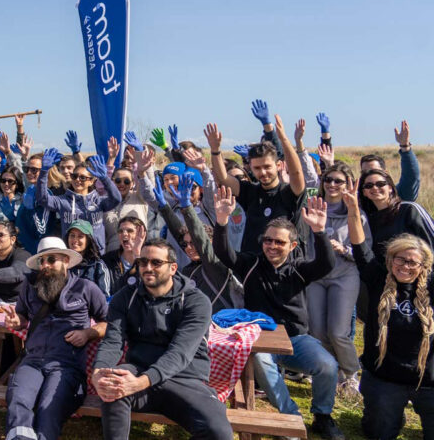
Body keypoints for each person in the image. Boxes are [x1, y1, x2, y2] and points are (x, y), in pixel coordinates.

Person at [213, 190, 343, 439]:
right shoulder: (251, 264)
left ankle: (322, 416)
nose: (272, 246)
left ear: (292, 245)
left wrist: (319, 232)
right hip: (260, 339)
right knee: (262, 362)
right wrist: (221, 222)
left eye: (279, 242)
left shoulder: (299, 269)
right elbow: (224, 253)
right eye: (268, 240)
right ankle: (290, 418)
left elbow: (326, 263)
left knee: (327, 366)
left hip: (296, 339)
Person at [91, 238, 233, 440]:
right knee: (113, 386)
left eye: (156, 263)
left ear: (173, 268)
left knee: (219, 432)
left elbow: (180, 353)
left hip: (185, 378)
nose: (148, 268)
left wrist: (140, 383)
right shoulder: (125, 297)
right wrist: (98, 372)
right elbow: (113, 340)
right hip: (139, 369)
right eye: (143, 262)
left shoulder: (196, 301)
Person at [346, 181, 434, 440]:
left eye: (412, 262)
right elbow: (360, 248)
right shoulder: (378, 278)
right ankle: (387, 411)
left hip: (429, 380)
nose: (405, 266)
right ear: (390, 260)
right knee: (380, 433)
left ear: (423, 266)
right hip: (385, 378)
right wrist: (353, 209)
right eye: (399, 259)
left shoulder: (432, 285)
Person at [1, 236, 108, 440]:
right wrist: (18, 321)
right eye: (42, 261)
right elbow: (22, 317)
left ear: (66, 261)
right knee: (18, 401)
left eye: (52, 260)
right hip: (32, 361)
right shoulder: (30, 286)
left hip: (66, 365)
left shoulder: (86, 288)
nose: (46, 265)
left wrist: (88, 334)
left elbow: (109, 323)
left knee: (49, 409)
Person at [205, 112, 306, 254]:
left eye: (267, 167)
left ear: (278, 165)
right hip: (252, 266)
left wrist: (283, 138)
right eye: (257, 168)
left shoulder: (290, 192)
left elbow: (297, 173)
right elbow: (223, 178)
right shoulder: (250, 191)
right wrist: (215, 150)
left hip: (284, 266)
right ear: (251, 168)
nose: (263, 172)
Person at [307, 162, 364, 394]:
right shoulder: (313, 206)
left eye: (338, 181)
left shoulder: (355, 211)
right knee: (318, 331)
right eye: (328, 180)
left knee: (338, 332)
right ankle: (330, 371)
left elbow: (362, 249)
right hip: (317, 276)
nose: (332, 185)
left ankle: (350, 374)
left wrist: (343, 249)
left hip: (345, 275)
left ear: (348, 184)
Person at [154, 175, 240, 310]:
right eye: (185, 245)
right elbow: (180, 235)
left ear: (210, 241)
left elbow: (199, 239)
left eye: (193, 243)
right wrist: (164, 207)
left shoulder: (215, 265)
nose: (188, 248)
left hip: (221, 326)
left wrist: (187, 208)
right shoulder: (189, 269)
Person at [37, 149, 122, 250]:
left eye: (82, 178)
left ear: (91, 181)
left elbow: (116, 198)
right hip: (72, 253)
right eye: (74, 176)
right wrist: (44, 172)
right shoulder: (63, 201)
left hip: (96, 253)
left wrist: (105, 178)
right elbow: (42, 199)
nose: (77, 180)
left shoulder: (99, 201)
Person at [359, 168, 434, 261]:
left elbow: (431, 238)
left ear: (390, 188)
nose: (374, 188)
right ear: (364, 192)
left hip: (421, 270)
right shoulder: (368, 219)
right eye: (369, 185)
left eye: (380, 184)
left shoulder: (409, 209)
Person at [358, 120, 420, 202]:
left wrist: (405, 146)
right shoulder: (358, 199)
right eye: (364, 172)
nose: (369, 175)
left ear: (385, 173)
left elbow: (411, 177)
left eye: (374, 171)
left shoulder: (398, 196)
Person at [103, 215, 147, 295]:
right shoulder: (108, 260)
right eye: (120, 231)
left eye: (130, 231)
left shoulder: (150, 260)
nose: (124, 234)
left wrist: (137, 254)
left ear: (141, 234)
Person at [64, 220, 111, 295]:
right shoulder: (62, 264)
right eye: (72, 235)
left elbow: (104, 297)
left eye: (80, 236)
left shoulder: (98, 265)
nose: (75, 240)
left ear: (88, 240)